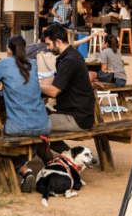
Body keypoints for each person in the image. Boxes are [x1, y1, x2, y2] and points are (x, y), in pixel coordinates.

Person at [0, 35, 52, 192]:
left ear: (8, 50)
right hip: (44, 124)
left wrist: (3, 91)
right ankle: (42, 164)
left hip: (18, 126)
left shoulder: (4, 63)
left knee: (1, 142)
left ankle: (24, 169)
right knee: (33, 133)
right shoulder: (33, 64)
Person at [39, 24, 97, 157]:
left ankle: (57, 160)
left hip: (76, 117)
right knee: (39, 117)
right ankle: (68, 155)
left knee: (35, 125)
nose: (47, 48)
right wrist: (34, 81)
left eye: (48, 44)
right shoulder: (72, 55)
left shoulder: (69, 60)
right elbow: (54, 79)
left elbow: (53, 91)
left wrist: (34, 86)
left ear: (58, 42)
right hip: (76, 114)